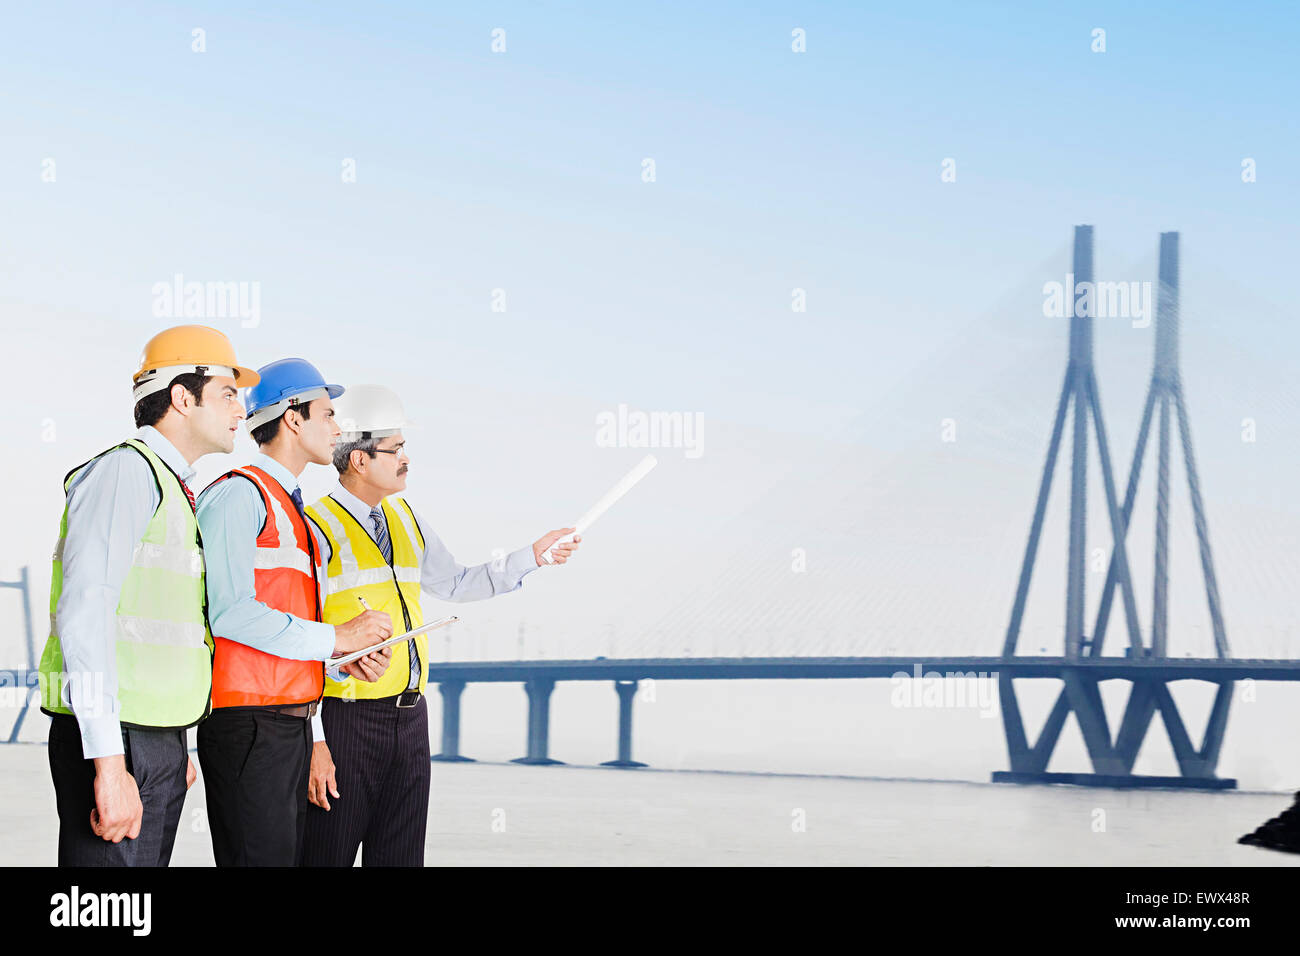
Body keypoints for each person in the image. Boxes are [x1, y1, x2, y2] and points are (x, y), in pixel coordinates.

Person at [300, 384, 580, 866]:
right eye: (396, 449)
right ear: (360, 460)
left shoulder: (407, 517)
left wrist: (531, 557)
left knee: (402, 858)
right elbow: (293, 637)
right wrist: (314, 742)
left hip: (410, 719)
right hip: (345, 721)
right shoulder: (312, 525)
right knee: (326, 854)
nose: (406, 458)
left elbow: (456, 583)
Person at [39, 325, 258, 865]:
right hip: (118, 741)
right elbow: (85, 614)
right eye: (228, 393)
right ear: (183, 398)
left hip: (152, 740)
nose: (241, 410)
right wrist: (111, 764)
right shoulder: (125, 471)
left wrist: (173, 741)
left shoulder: (170, 485)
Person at [195, 359, 394, 866]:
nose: (338, 428)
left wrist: (335, 660)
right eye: (327, 414)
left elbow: (283, 624)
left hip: (290, 726)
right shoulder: (239, 496)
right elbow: (232, 615)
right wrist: (337, 638)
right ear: (291, 418)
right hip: (247, 728)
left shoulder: (293, 511)